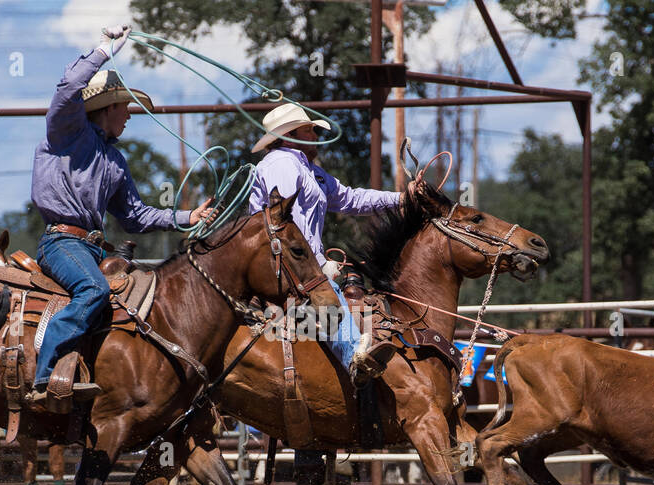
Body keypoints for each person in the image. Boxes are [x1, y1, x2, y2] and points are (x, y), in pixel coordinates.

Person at [28, 24, 217, 407]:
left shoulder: (114, 161)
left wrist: (187, 217)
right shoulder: (66, 132)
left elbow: (135, 216)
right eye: (126, 107)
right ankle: (44, 376)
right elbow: (67, 90)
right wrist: (103, 50)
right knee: (94, 289)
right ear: (108, 108)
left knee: (138, 297)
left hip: (93, 248)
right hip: (62, 242)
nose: (130, 116)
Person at [246, 102, 403, 382]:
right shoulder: (281, 164)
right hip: (286, 264)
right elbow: (283, 225)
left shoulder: (310, 171)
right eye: (311, 130)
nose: (317, 136)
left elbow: (351, 199)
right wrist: (317, 264)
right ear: (291, 135)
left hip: (300, 262)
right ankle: (355, 360)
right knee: (329, 299)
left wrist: (401, 200)